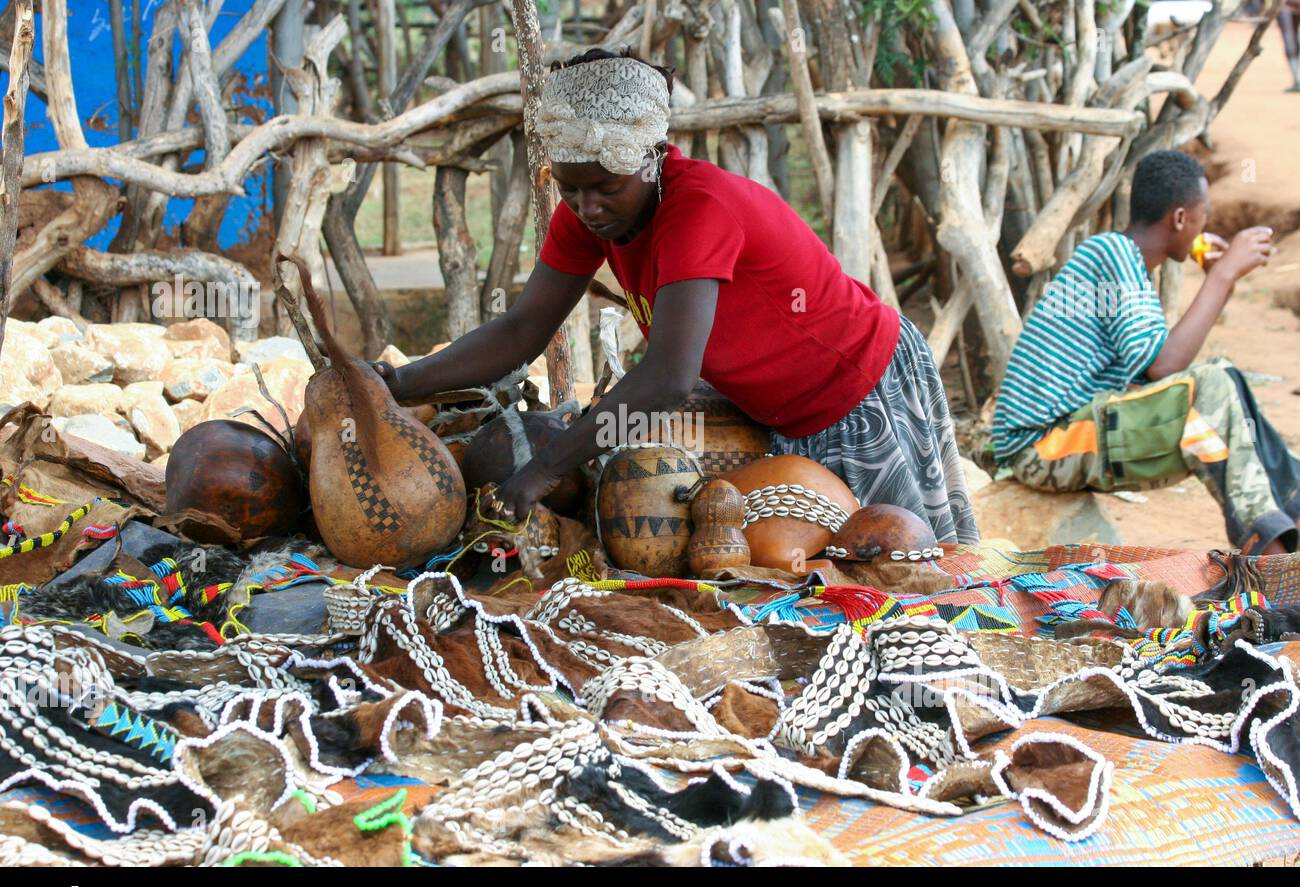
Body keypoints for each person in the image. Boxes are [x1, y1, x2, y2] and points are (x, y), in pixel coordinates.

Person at [375, 48, 978, 545]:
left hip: (859, 387)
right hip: (777, 412)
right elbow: (520, 332)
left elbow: (666, 377)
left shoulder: (698, 211)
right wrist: (394, 384)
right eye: (571, 189)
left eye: (605, 188)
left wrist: (541, 470)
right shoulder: (586, 216)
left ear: (653, 160)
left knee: (898, 579)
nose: (587, 208)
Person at [992, 149, 1298, 556]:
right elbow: (1164, 365)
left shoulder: (1125, 265)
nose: (1204, 227)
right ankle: (1275, 564)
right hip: (1038, 445)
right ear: (1179, 219)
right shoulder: (1110, 255)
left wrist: (1219, 279)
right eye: (1203, 215)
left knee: (1224, 379)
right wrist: (1224, 276)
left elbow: (1154, 372)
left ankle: (1290, 520)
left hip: (1073, 432)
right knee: (1214, 382)